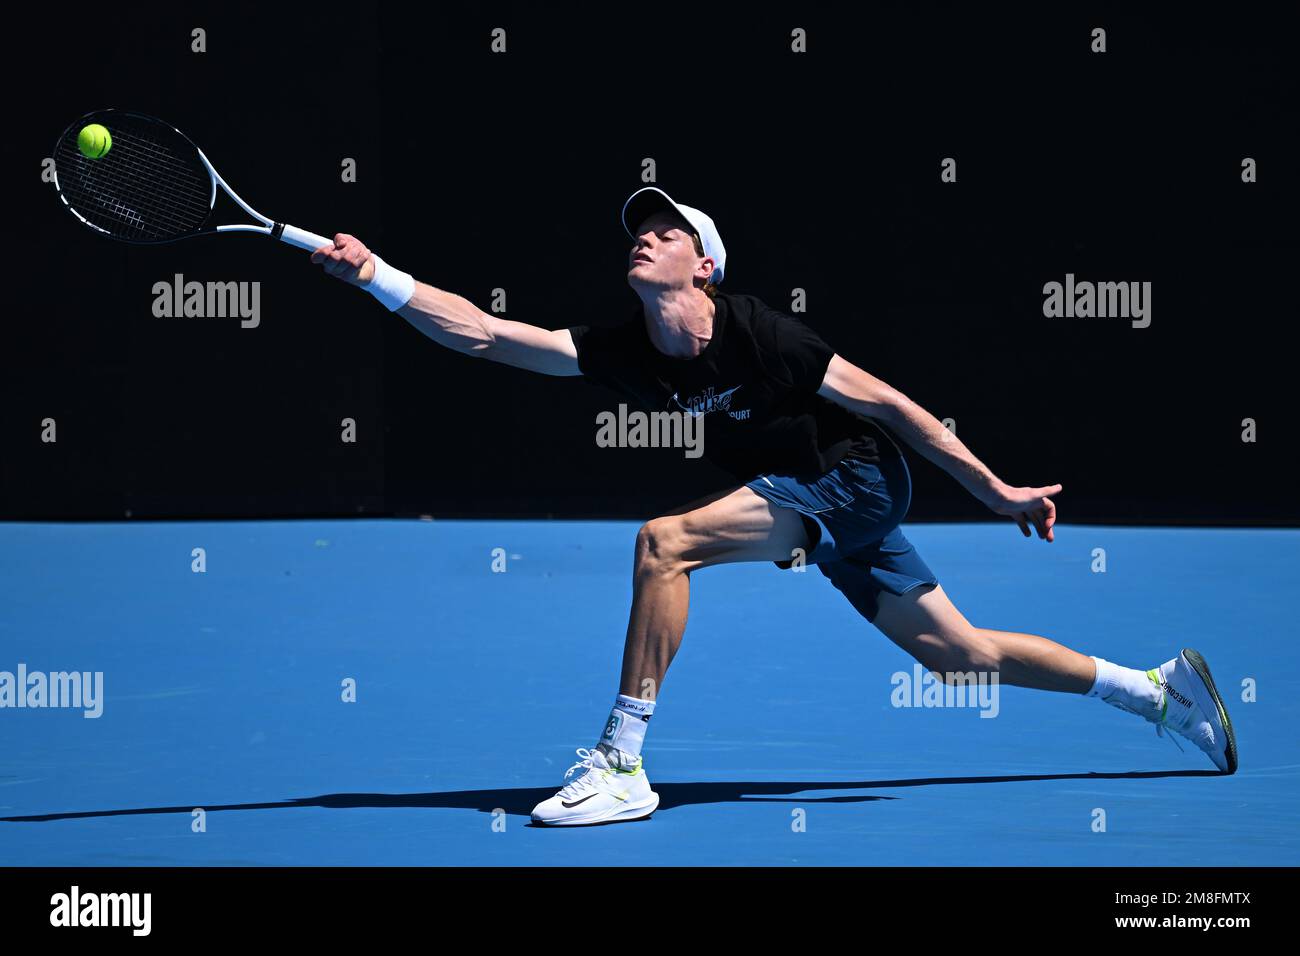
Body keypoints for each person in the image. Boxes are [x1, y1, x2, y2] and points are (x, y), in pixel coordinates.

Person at [309, 186, 1238, 826]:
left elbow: (892, 407)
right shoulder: (632, 347)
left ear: (704, 265)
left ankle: (623, 764)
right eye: (640, 226)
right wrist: (380, 276)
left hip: (857, 480)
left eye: (667, 229)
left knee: (664, 543)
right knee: (964, 657)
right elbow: (485, 334)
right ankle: (1159, 691)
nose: (645, 234)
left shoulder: (762, 331)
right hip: (819, 502)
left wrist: (994, 490)